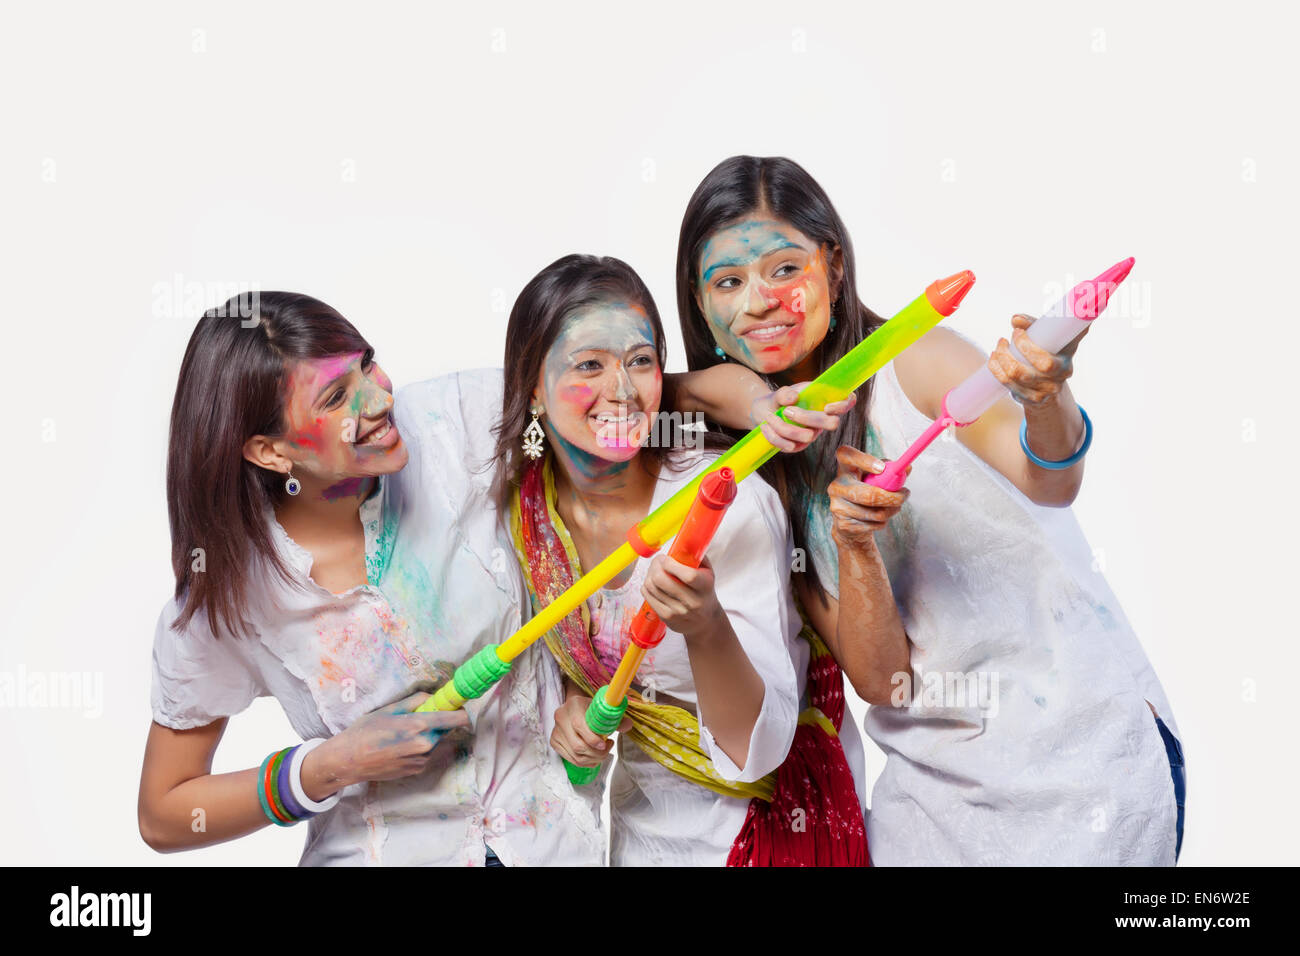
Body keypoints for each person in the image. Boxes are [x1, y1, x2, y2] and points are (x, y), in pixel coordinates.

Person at [674, 155, 1183, 865]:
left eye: (785, 269)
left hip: (1082, 765)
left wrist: (1045, 397)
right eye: (727, 282)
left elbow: (1050, 478)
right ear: (701, 306)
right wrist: (854, 547)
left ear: (836, 265)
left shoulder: (915, 360)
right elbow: (884, 682)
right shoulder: (766, 476)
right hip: (934, 804)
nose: (757, 302)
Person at [138, 291, 605, 865]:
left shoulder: (452, 426)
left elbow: (609, 400)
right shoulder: (227, 596)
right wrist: (330, 765)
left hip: (551, 844)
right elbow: (164, 813)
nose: (381, 397)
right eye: (336, 397)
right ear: (269, 451)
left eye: (367, 363)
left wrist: (724, 391)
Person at [487, 254, 905, 865]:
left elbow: (757, 750)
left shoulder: (728, 504)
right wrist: (574, 708)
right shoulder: (524, 509)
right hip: (640, 839)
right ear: (532, 388)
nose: (623, 391)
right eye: (588, 365)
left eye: (640, 361)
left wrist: (705, 627)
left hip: (767, 832)